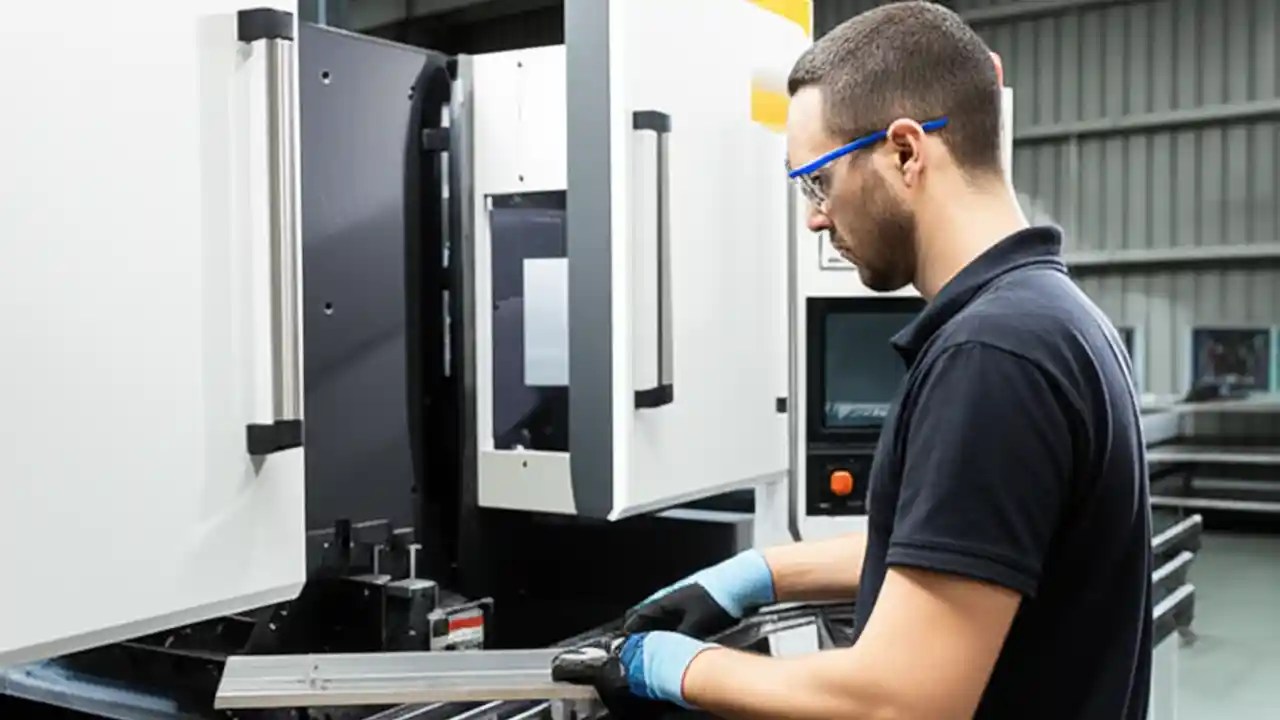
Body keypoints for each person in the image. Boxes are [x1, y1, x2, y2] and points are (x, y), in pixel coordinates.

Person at [552, 2, 1153, 718]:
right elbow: (959, 545)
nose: (814, 215)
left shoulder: (994, 354)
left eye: (819, 181)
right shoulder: (1055, 315)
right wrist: (757, 575)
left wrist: (677, 669)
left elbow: (901, 702)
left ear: (905, 152)